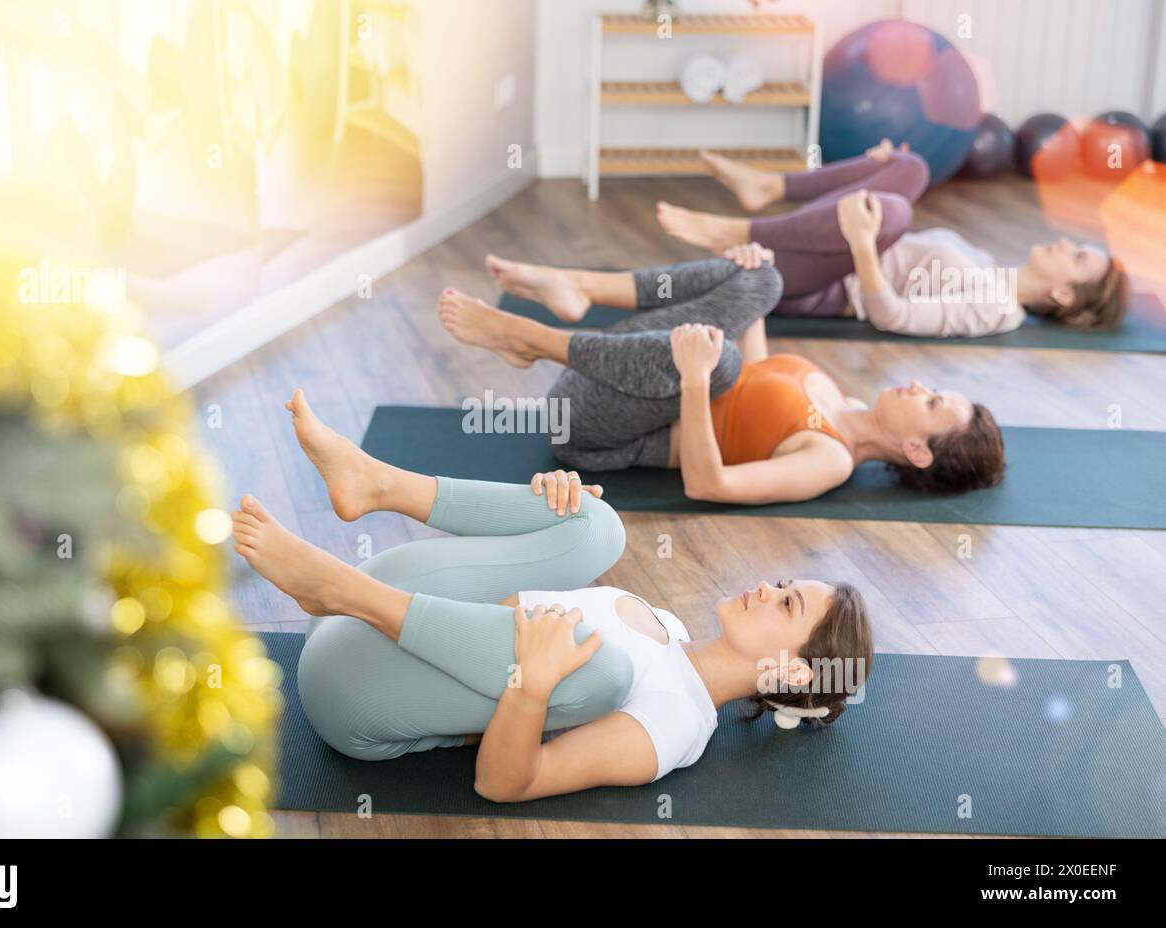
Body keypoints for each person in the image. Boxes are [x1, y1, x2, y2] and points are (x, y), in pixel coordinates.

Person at [231, 389, 873, 800]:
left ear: (789, 669)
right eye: (785, 584)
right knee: (598, 525)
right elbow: (507, 588)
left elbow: (508, 783)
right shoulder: (666, 625)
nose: (767, 587)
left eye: (787, 603)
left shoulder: (678, 725)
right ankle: (375, 485)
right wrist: (551, 506)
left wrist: (532, 686)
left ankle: (338, 585)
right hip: (374, 610)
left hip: (358, 688)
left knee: (601, 671)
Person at [438, 250, 1006, 502]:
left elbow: (709, 485)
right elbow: (759, 372)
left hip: (595, 430)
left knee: (721, 363)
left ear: (918, 450)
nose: (917, 386)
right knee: (764, 278)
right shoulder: (842, 397)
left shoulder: (829, 461)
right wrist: (742, 274)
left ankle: (531, 339)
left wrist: (693, 379)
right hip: (627, 369)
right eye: (933, 389)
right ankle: (577, 285)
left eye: (930, 403)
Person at [652, 140, 1130, 336]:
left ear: (1064, 293)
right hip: (824, 251)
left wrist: (864, 242)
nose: (1068, 243)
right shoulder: (984, 260)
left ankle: (732, 230)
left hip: (819, 288)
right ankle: (769, 187)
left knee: (895, 214)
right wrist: (871, 173)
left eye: (1079, 256)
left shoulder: (998, 309)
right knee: (909, 167)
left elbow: (892, 316)